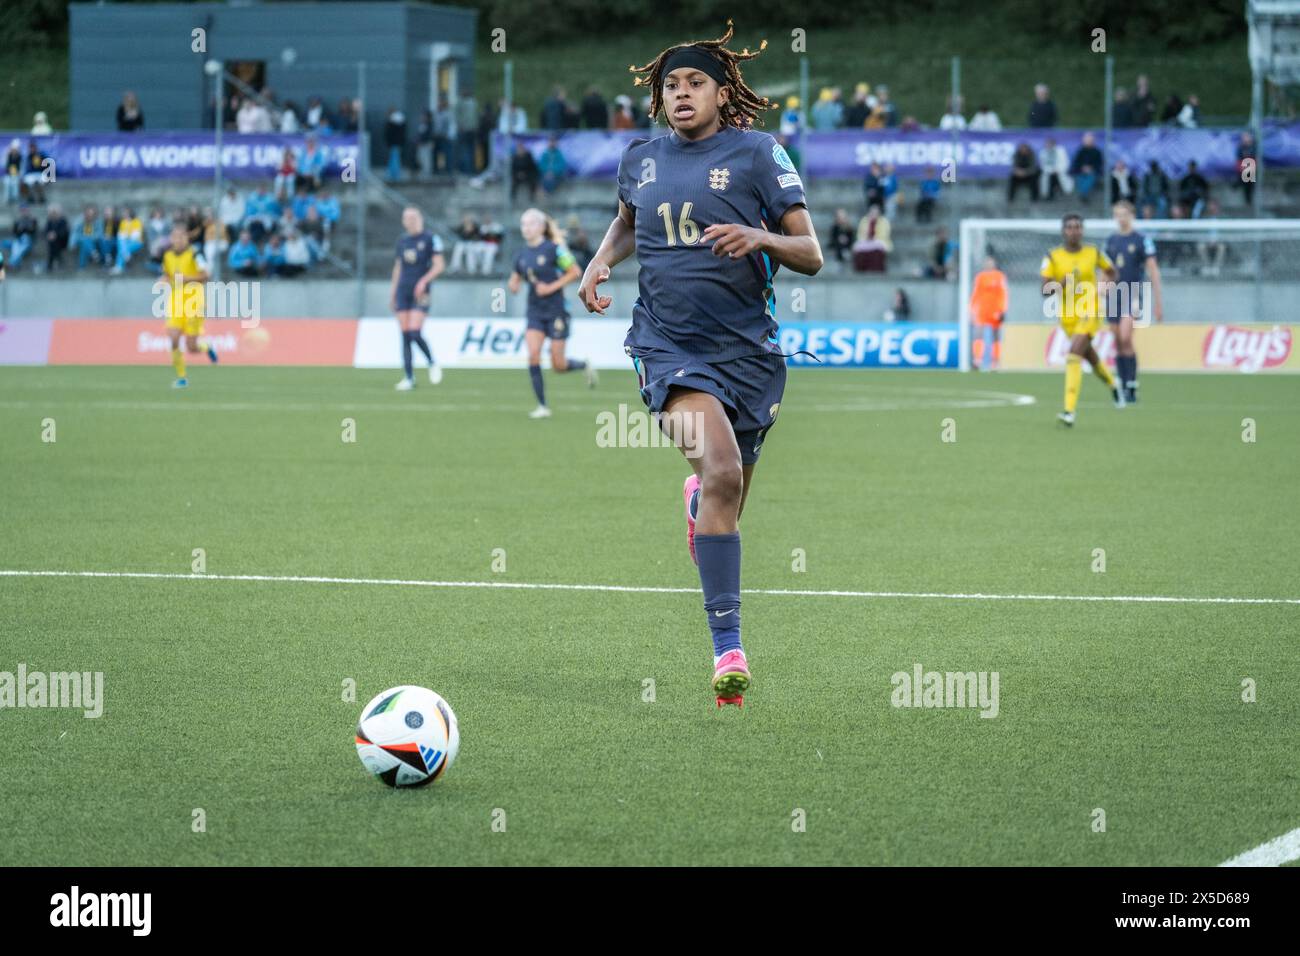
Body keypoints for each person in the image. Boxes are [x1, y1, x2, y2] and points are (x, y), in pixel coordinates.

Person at [576, 23, 823, 707]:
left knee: (726, 495)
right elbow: (629, 223)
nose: (679, 94)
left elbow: (811, 253)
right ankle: (728, 650)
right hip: (667, 349)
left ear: (721, 93)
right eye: (670, 85)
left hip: (748, 356)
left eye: (693, 83)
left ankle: (700, 505)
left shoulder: (757, 154)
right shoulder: (642, 158)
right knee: (720, 473)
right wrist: (600, 262)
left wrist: (760, 236)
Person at [508, 208, 595, 417]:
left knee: (558, 364)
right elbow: (515, 279)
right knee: (533, 355)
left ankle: (583, 365)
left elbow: (575, 272)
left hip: (556, 310)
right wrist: (512, 284)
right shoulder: (521, 254)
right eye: (523, 224)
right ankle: (542, 406)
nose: (526, 228)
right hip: (534, 311)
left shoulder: (554, 249)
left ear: (540, 227)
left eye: (529, 224)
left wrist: (550, 287)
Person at [1040, 213, 1123, 426]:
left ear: (1082, 230)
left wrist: (1106, 286)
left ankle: (1069, 411)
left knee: (1073, 353)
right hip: (1068, 317)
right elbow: (1045, 289)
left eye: (1078, 227)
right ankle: (1114, 385)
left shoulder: (1093, 252)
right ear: (1063, 231)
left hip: (1091, 310)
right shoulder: (1053, 256)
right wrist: (1061, 284)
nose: (1074, 231)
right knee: (1089, 356)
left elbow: (1111, 271)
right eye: (1070, 227)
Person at [1105, 200, 1164, 404]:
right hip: (1114, 296)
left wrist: (1158, 303)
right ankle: (1122, 383)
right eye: (1117, 214)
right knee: (1117, 341)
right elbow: (1105, 272)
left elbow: (1153, 270)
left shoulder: (1142, 240)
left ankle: (1131, 384)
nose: (1121, 218)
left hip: (1133, 293)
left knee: (1125, 336)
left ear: (1131, 215)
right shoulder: (1111, 241)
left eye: (1124, 214)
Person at [389, 207, 445, 390]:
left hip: (421, 292)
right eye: (406, 218)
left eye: (413, 217)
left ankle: (432, 362)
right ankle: (409, 377)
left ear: (420, 218)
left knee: (414, 332)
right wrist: (393, 293)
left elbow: (439, 266)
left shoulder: (430, 239)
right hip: (403, 291)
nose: (410, 220)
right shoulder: (402, 241)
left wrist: (424, 281)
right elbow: (398, 268)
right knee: (404, 335)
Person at [161, 223, 218, 387]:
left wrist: (186, 279)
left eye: (181, 237)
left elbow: (206, 275)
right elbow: (168, 275)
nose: (177, 240)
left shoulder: (195, 254)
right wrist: (164, 280)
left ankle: (207, 346)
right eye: (174, 237)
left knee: (192, 347)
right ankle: (182, 377)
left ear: (187, 238)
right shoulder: (167, 256)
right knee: (173, 339)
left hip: (194, 303)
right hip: (175, 302)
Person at [968, 256, 1008, 370]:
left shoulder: (1000, 276)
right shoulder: (980, 277)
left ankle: (995, 361)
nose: (989, 264)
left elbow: (1003, 294)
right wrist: (971, 309)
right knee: (978, 334)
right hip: (982, 310)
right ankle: (977, 360)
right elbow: (975, 294)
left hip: (996, 311)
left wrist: (1003, 310)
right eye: (987, 262)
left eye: (991, 262)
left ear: (994, 264)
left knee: (996, 336)